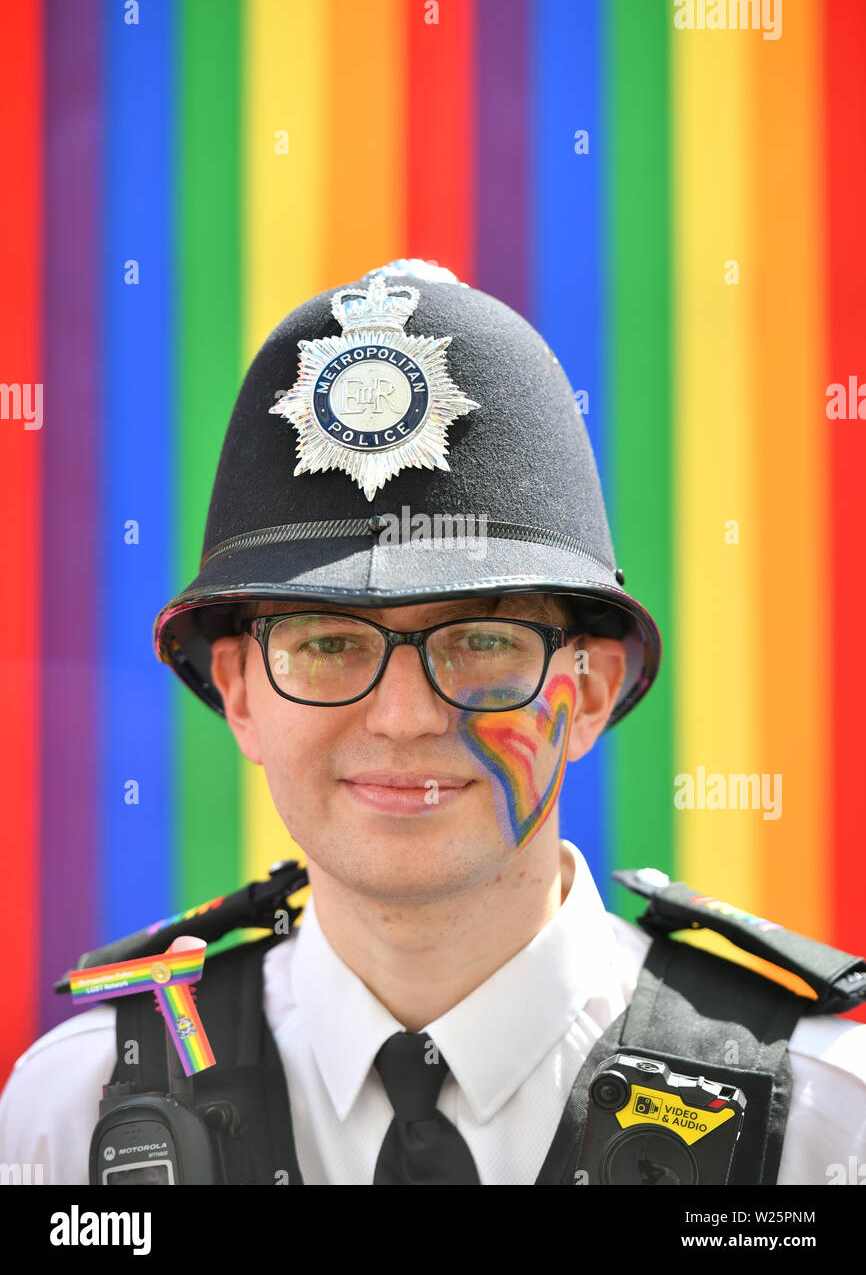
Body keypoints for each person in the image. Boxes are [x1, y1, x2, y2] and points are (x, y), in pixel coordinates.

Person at [1, 259, 864, 1186]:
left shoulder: (822, 1122)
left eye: (483, 640)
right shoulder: (75, 1115)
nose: (404, 716)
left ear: (594, 690)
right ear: (241, 695)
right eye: (327, 643)